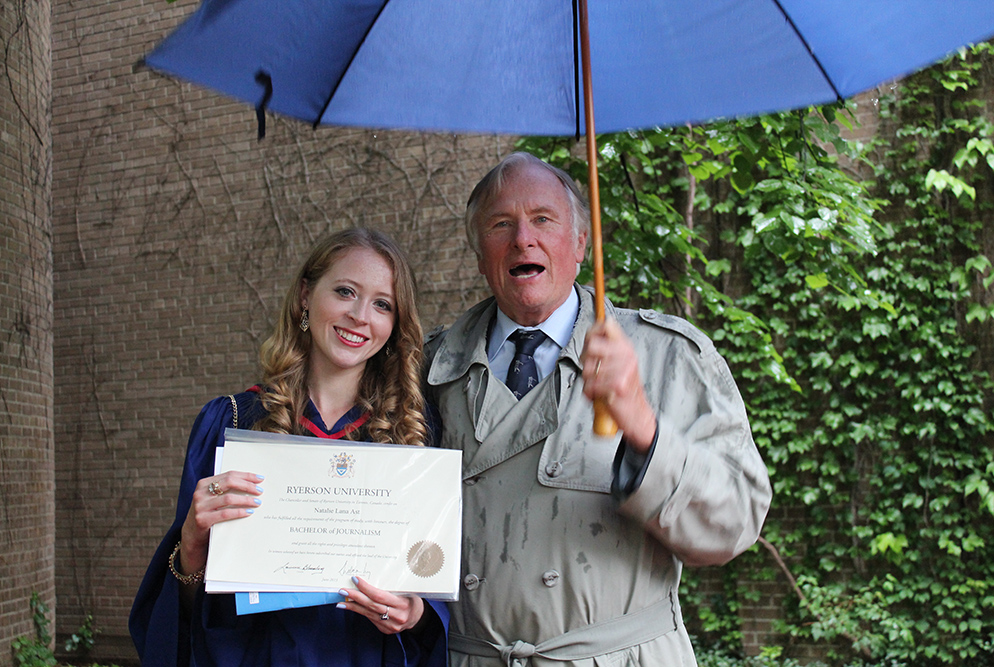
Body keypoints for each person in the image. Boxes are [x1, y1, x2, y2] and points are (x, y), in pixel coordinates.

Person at [423, 153, 772, 666]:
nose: (524, 239)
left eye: (544, 219)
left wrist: (644, 428)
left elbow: (734, 523)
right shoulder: (429, 370)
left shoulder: (666, 356)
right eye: (502, 224)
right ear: (480, 256)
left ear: (581, 243)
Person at [130, 228, 447, 667]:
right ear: (305, 295)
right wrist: (191, 540)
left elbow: (437, 588)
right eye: (344, 291)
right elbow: (180, 614)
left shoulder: (415, 435)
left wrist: (416, 613)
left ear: (394, 326)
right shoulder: (230, 423)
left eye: (382, 304)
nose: (359, 315)